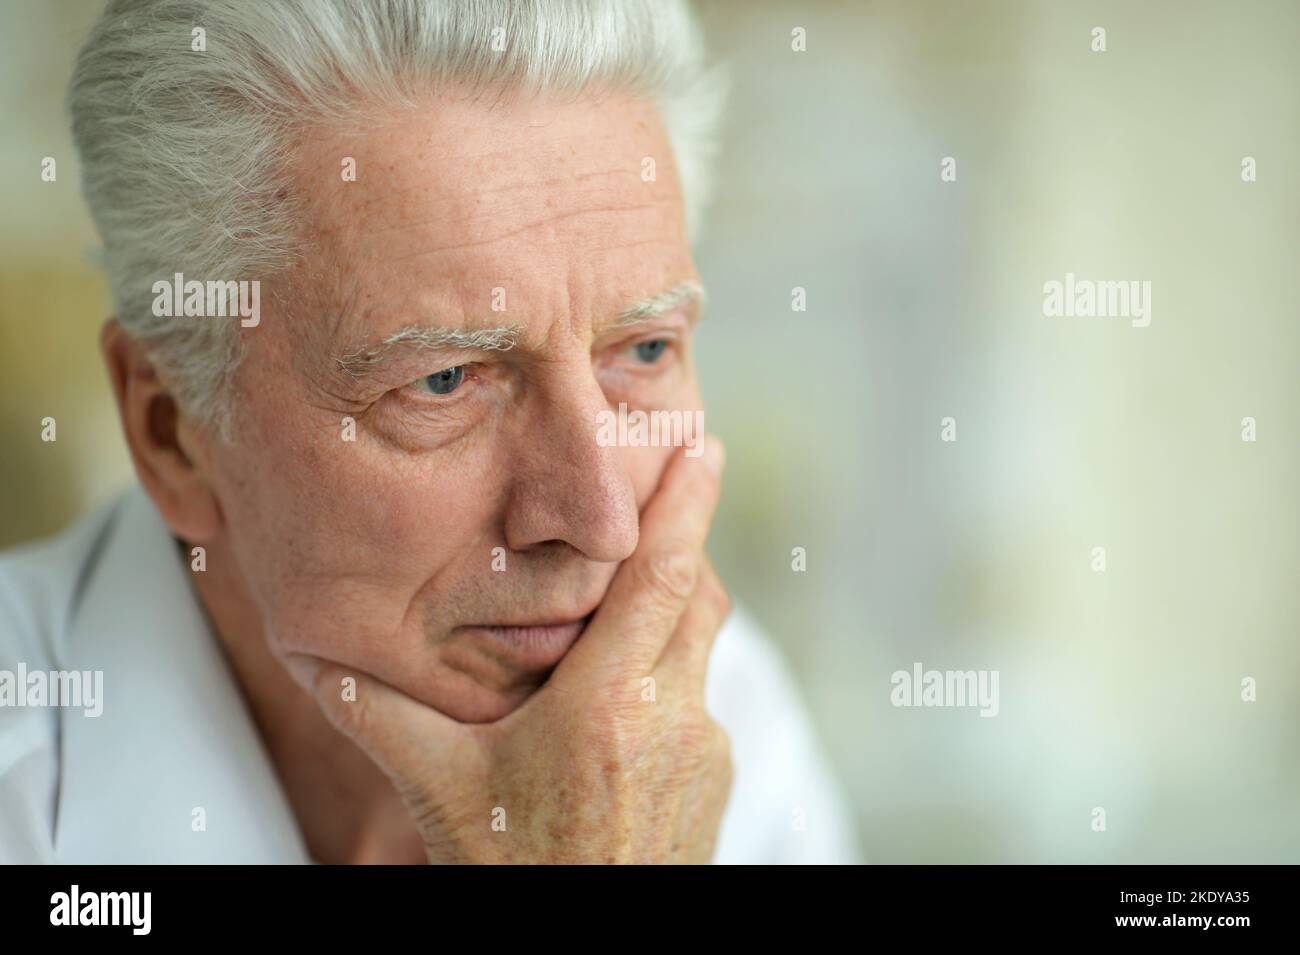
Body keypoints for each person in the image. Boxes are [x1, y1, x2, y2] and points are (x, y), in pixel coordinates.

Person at [0, 0, 860, 864]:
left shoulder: (727, 726)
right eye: (443, 380)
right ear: (171, 432)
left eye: (641, 349)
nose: (603, 521)